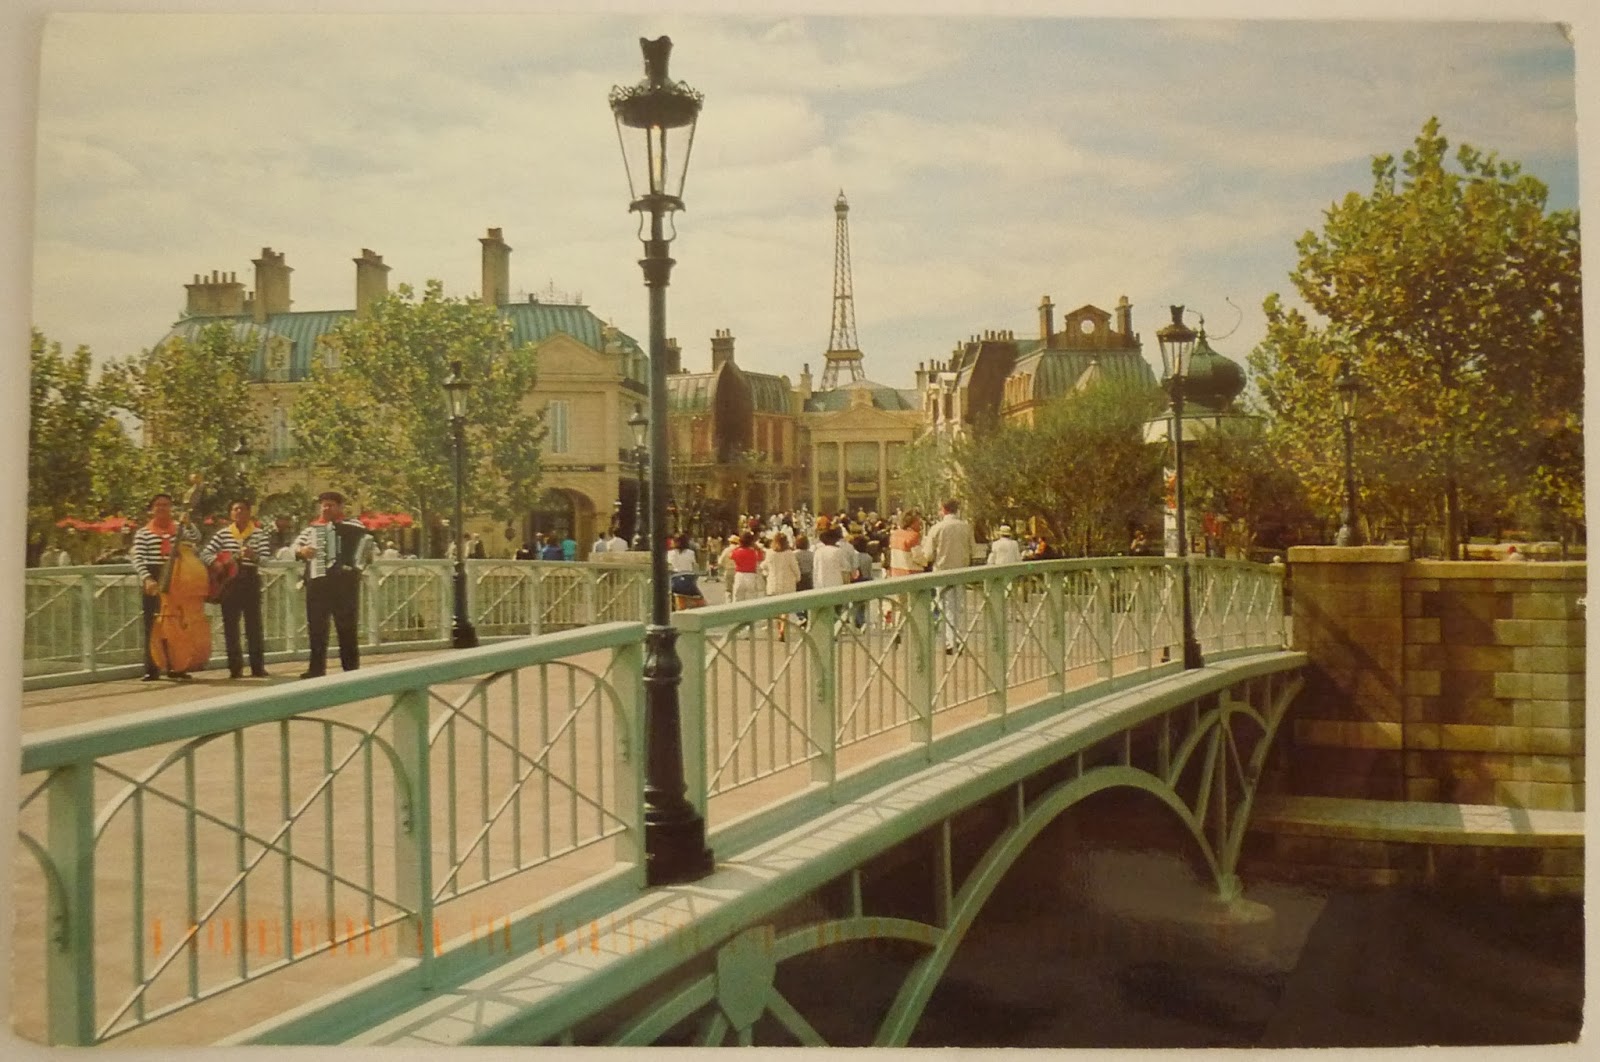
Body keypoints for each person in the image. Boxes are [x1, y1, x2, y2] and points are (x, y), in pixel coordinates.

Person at [292, 490, 375, 678]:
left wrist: (364, 557)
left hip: (346, 583)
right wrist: (302, 551)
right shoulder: (312, 529)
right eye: (324, 505)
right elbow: (293, 548)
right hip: (318, 582)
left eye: (330, 505)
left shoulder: (355, 527)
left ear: (340, 507)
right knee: (317, 627)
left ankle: (351, 668)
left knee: (347, 626)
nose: (326, 508)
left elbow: (369, 548)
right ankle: (316, 669)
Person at [130, 492, 199, 681]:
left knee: (176, 625)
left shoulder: (177, 528)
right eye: (158, 505)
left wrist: (188, 522)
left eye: (166, 505)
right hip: (154, 576)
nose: (162, 508)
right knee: (152, 624)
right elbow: (137, 559)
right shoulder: (143, 533)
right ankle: (151, 668)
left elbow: (196, 537)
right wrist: (146, 579)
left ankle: (177, 665)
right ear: (152, 509)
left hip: (176, 576)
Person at [201, 498, 272, 678]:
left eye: (242, 509)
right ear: (231, 514)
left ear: (249, 512)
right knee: (230, 626)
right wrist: (216, 563)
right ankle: (235, 668)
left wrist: (253, 555)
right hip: (229, 582)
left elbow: (266, 560)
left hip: (249, 579)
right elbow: (205, 553)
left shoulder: (259, 534)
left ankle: (258, 667)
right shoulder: (223, 534)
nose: (239, 512)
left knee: (254, 626)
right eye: (235, 509)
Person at [926, 498, 976, 653]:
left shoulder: (936, 528)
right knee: (957, 607)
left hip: (942, 572)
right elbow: (973, 550)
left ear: (944, 509)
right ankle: (955, 639)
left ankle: (950, 642)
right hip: (960, 571)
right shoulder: (966, 527)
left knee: (946, 607)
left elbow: (928, 555)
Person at [759, 532, 801, 639]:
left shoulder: (770, 553)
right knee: (785, 609)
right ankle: (783, 628)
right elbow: (794, 567)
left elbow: (763, 565)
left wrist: (766, 572)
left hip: (773, 583)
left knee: (777, 608)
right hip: (787, 583)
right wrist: (798, 577)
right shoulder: (789, 553)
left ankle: (779, 629)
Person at [668, 535, 703, 607]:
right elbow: (695, 566)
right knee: (700, 601)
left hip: (675, 579)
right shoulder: (691, 553)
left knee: (678, 600)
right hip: (688, 579)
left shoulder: (669, 553)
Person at [729, 531, 765, 603]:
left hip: (739, 575)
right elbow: (761, 558)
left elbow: (730, 555)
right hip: (751, 576)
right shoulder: (753, 552)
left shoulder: (737, 552)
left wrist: (739, 546)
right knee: (751, 599)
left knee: (737, 599)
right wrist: (757, 548)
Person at [888, 510, 926, 577]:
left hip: (896, 573)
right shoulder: (913, 536)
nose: (920, 525)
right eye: (918, 522)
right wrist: (927, 561)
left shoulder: (895, 534)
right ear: (911, 523)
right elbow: (918, 557)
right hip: (912, 574)